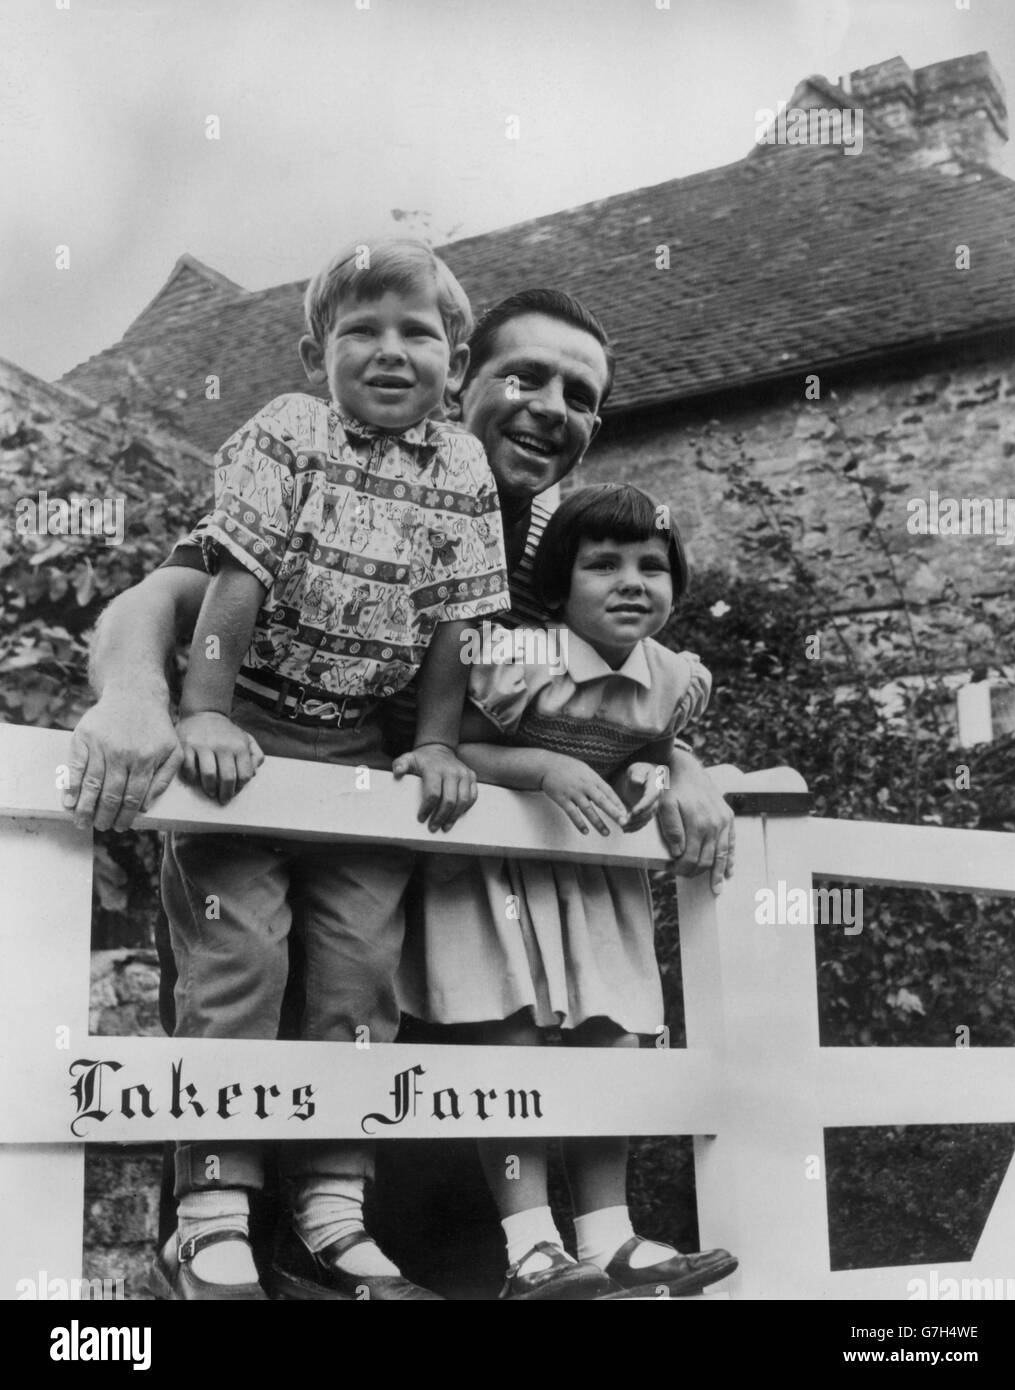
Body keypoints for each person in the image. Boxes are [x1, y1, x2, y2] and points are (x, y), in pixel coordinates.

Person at [67, 285, 737, 1296]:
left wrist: (678, 766)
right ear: (460, 377)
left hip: (473, 956)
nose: (547, 404)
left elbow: (624, 698)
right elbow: (161, 599)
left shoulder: (570, 548)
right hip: (301, 907)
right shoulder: (344, 469)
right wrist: (130, 693)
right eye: (523, 375)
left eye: (578, 393)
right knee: (269, 1219)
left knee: (472, 1252)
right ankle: (223, 1235)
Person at [147, 236, 509, 1301]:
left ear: (454, 355)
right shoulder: (290, 432)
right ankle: (209, 1217)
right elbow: (234, 581)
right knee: (239, 958)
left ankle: (332, 1216)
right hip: (250, 723)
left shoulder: (461, 468)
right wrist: (204, 712)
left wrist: (434, 741)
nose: (391, 351)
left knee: (356, 974)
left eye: (418, 333)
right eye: (362, 331)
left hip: (357, 740)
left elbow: (453, 628)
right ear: (317, 352)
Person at [400, 483, 737, 1299]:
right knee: (512, 1042)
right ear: (556, 588)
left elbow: (657, 743)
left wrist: (670, 769)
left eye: (652, 567)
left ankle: (610, 1236)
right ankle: (530, 1247)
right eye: (603, 564)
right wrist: (548, 765)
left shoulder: (673, 676)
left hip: (595, 879)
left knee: (612, 1040)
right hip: (496, 880)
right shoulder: (522, 661)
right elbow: (461, 750)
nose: (632, 581)